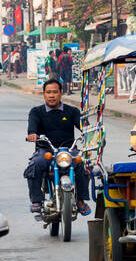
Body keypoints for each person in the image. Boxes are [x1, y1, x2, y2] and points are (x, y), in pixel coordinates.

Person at [25, 78, 91, 216]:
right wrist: (32, 134)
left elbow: (85, 127)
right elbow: (32, 128)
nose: (51, 95)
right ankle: (37, 200)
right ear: (43, 94)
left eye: (55, 92)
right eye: (48, 92)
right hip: (46, 150)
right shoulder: (36, 112)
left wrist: (89, 132)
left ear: (61, 93)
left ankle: (80, 200)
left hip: (68, 150)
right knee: (36, 164)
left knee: (82, 164)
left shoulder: (71, 111)